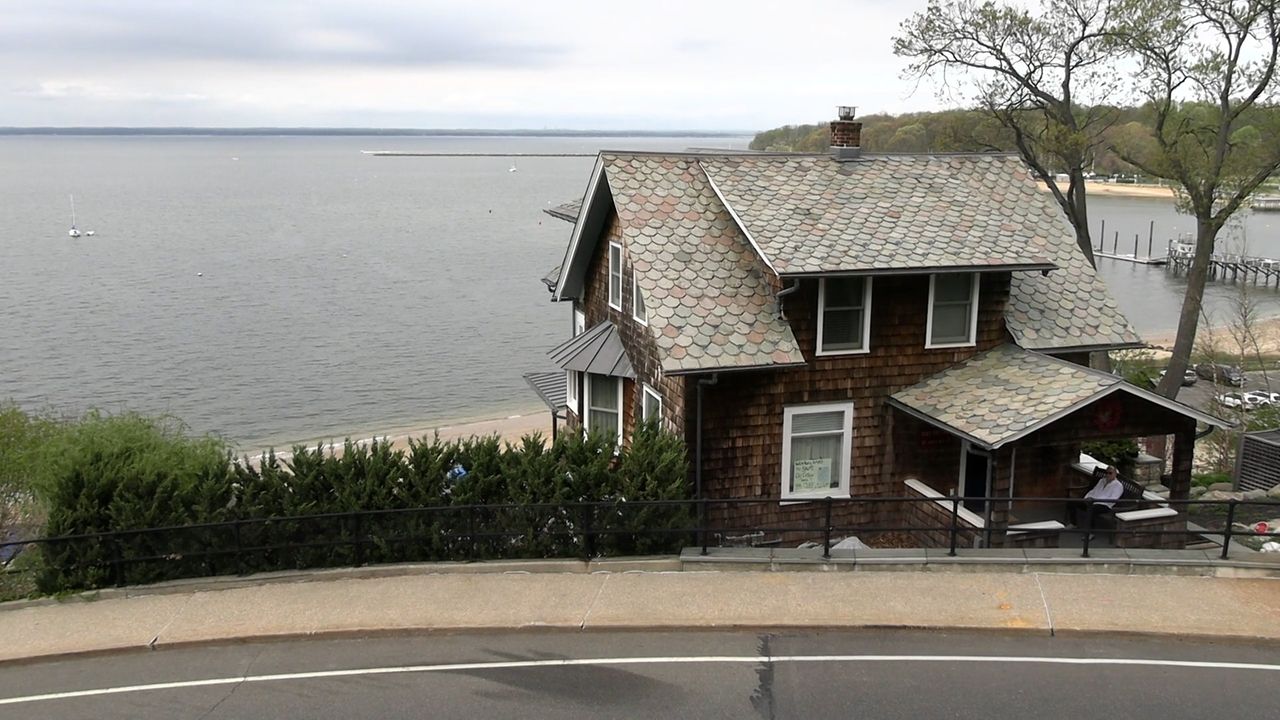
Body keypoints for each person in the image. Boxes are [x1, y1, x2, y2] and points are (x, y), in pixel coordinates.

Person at [1066, 465, 1124, 533]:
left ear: (1115, 474)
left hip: (1105, 505)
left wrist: (1097, 501)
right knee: (1072, 503)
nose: (1108, 475)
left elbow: (1113, 499)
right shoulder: (1102, 481)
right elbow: (1093, 491)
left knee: (1091, 509)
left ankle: (1090, 533)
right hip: (1092, 501)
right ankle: (1073, 523)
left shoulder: (1118, 486)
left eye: (1110, 473)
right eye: (1107, 473)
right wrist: (1087, 498)